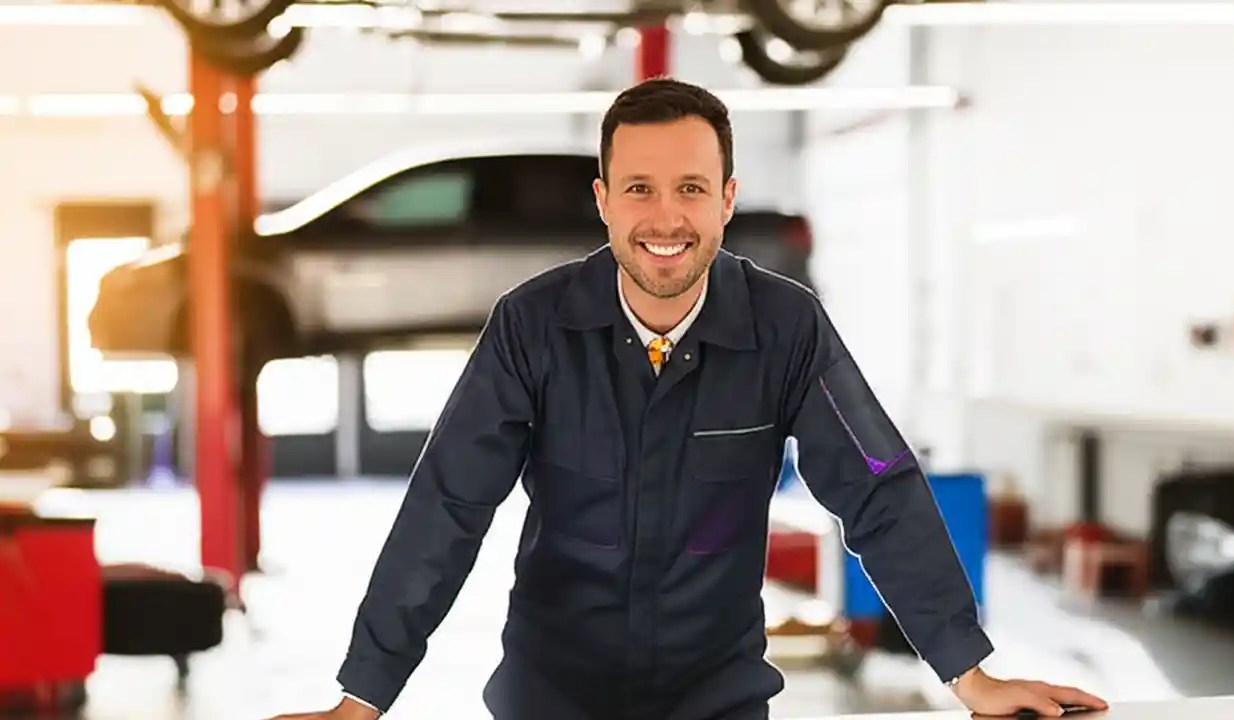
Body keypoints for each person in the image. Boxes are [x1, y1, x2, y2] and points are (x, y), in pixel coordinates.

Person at [269, 78, 1107, 720]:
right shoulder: (533, 327)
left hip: (717, 699)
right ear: (601, 200)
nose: (665, 217)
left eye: (691, 189)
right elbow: (447, 504)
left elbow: (878, 484)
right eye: (638, 188)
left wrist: (970, 672)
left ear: (727, 199)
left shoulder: (786, 329)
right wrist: (365, 694)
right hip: (550, 696)